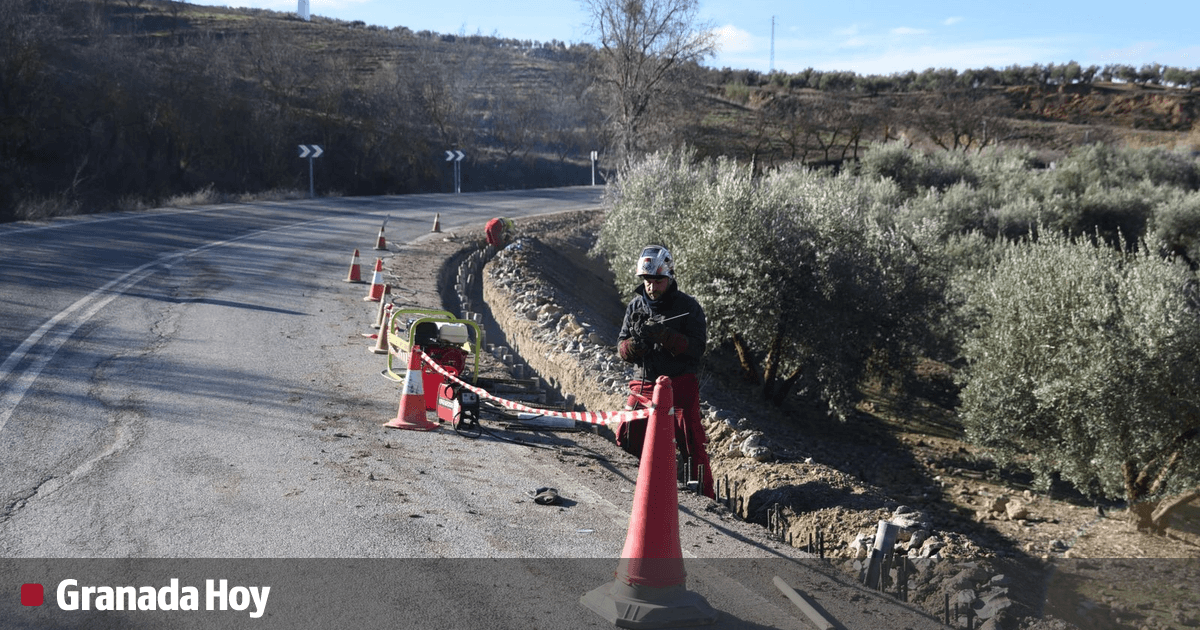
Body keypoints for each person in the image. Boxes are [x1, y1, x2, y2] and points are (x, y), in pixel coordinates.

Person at [616, 245, 714, 499]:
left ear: (669, 277)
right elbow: (621, 347)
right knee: (627, 436)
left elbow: (697, 349)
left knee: (692, 441)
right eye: (647, 280)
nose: (652, 286)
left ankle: (705, 497)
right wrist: (635, 345)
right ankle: (632, 491)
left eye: (657, 280)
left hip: (679, 386)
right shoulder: (635, 307)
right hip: (643, 385)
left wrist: (666, 336)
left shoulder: (689, 307)